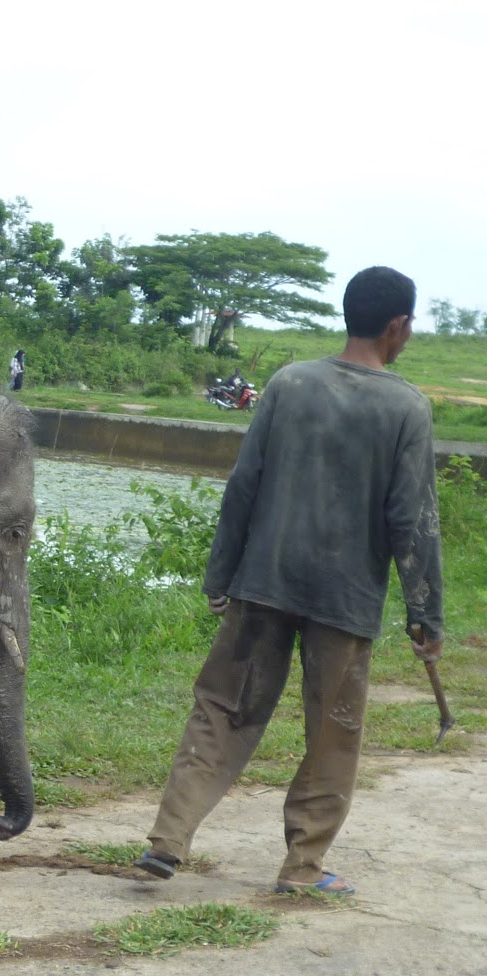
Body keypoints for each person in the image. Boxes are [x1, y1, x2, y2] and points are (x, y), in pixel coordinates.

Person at [134, 266, 443, 895]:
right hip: (344, 602)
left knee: (222, 708)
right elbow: (412, 522)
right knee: (333, 732)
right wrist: (425, 615)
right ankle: (302, 868)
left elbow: (244, 485)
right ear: (398, 326)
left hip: (262, 582)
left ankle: (169, 839)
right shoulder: (406, 406)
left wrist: (220, 573)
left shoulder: (289, 383)